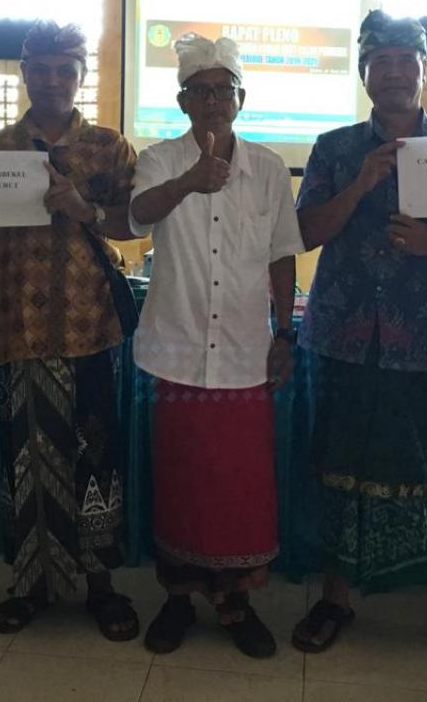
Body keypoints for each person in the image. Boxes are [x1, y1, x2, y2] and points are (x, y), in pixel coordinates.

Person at [0, 21, 142, 642]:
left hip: (92, 329)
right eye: (41, 69)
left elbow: (129, 224)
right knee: (27, 458)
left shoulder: (108, 147)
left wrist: (85, 210)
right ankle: (32, 584)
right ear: (25, 74)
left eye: (65, 69)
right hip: (20, 327)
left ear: (80, 75)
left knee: (97, 457)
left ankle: (101, 584)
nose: (53, 80)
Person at [291, 10, 427, 668]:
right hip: (346, 337)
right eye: (379, 61)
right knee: (339, 469)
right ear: (364, 74)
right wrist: (361, 184)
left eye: (404, 61)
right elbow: (307, 234)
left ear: (422, 72)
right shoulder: (334, 148)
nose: (392, 72)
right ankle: (335, 599)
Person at [128, 35, 303, 659]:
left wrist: (285, 332)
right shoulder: (156, 158)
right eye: (199, 91)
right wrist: (189, 182)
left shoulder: (269, 168)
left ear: (240, 99)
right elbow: (135, 217)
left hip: (243, 353)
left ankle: (234, 601)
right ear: (181, 101)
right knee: (179, 480)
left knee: (236, 485)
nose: (211, 100)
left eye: (222, 90)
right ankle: (177, 598)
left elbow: (282, 254)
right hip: (175, 352)